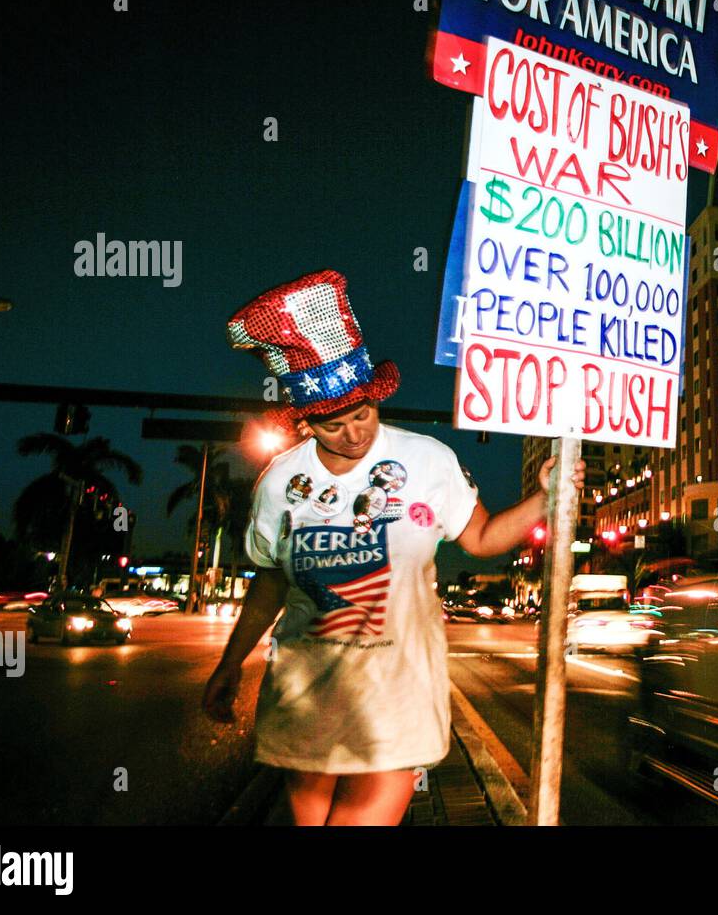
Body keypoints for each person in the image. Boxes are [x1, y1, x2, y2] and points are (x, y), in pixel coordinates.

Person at [201, 269, 584, 826]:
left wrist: (544, 499)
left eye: (364, 414)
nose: (355, 434)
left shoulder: (428, 459)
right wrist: (230, 663)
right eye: (334, 425)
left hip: (397, 696)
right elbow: (271, 580)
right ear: (305, 423)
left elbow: (479, 538)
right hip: (307, 694)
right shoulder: (279, 483)